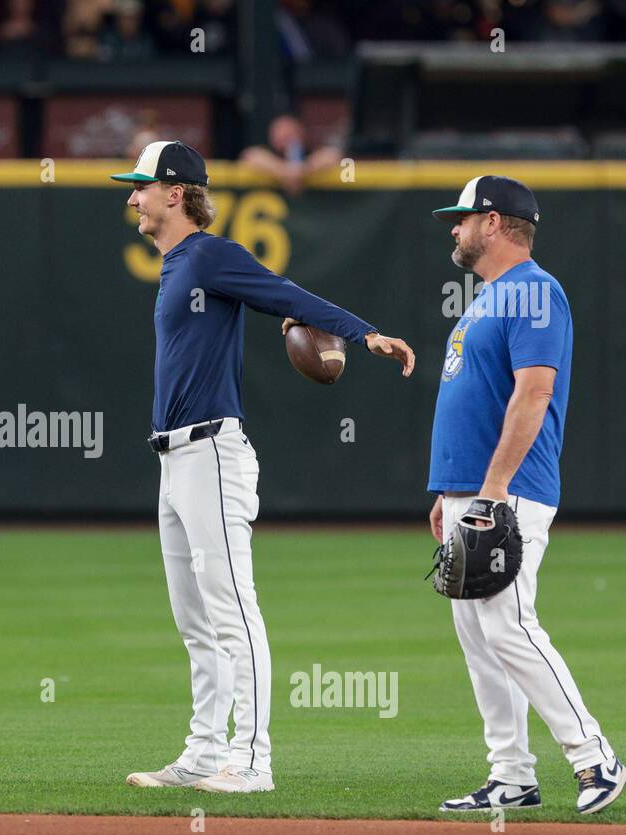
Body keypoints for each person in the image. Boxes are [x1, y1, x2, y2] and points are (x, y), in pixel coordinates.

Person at [111, 141, 415, 793]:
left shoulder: (212, 254)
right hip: (173, 457)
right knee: (194, 618)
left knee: (232, 610)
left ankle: (253, 760)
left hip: (213, 454)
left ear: (175, 193)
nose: (131, 196)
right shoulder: (178, 264)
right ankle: (203, 749)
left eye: (140, 186)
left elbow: (287, 296)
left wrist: (366, 334)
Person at [429, 175, 626, 815]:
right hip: (471, 492)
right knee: (479, 636)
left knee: (510, 625)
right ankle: (511, 773)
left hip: (508, 491)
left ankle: (594, 756)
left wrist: (492, 491)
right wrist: (450, 493)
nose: (453, 229)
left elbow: (534, 392)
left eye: (461, 218)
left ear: (493, 222)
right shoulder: (489, 295)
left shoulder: (536, 292)